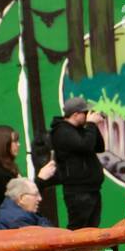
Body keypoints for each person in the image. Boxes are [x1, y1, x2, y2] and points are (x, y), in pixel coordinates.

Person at [48, 96, 106, 230]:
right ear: (75, 114)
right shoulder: (62, 131)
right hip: (78, 191)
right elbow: (84, 145)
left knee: (92, 230)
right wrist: (91, 124)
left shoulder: (80, 130)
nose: (88, 116)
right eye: (85, 113)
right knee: (78, 230)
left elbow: (99, 147)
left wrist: (93, 126)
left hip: (92, 189)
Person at [0, 125, 55, 225]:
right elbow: (21, 199)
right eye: (15, 141)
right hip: (12, 225)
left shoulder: (6, 167)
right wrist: (41, 178)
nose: (18, 144)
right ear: (4, 144)